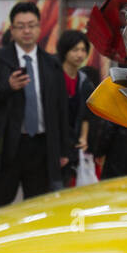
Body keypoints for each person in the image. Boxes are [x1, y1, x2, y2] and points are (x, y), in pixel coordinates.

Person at [0, 1, 69, 211]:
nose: (27, 30)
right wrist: (7, 86)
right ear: (12, 29)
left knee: (37, 209)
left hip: (42, 148)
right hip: (8, 145)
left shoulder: (51, 62)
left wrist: (64, 150)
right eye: (20, 26)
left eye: (31, 25)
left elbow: (61, 109)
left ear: (39, 27)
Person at [56, 29, 97, 186]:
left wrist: (83, 138)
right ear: (65, 51)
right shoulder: (55, 77)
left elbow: (86, 114)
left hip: (73, 145)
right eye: (75, 50)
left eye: (83, 50)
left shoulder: (84, 81)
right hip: (56, 144)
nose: (80, 54)